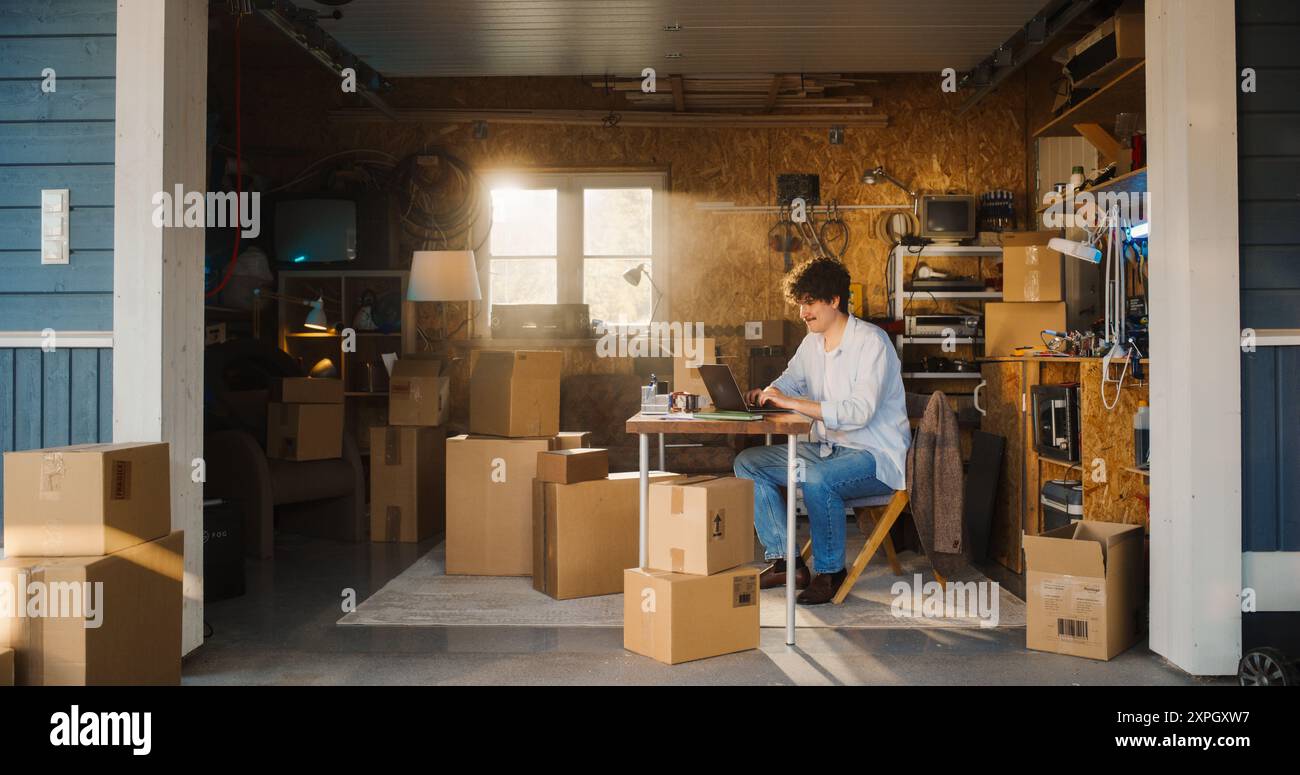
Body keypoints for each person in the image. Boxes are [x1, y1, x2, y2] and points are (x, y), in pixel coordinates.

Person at [733, 257, 910, 605]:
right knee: (748, 462)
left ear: (834, 301)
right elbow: (790, 380)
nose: (803, 312)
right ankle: (786, 561)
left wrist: (791, 403)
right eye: (800, 303)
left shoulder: (871, 343)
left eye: (810, 303)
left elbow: (858, 414)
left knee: (817, 477)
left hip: (875, 457)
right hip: (829, 449)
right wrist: (769, 393)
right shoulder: (812, 343)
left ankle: (830, 572)